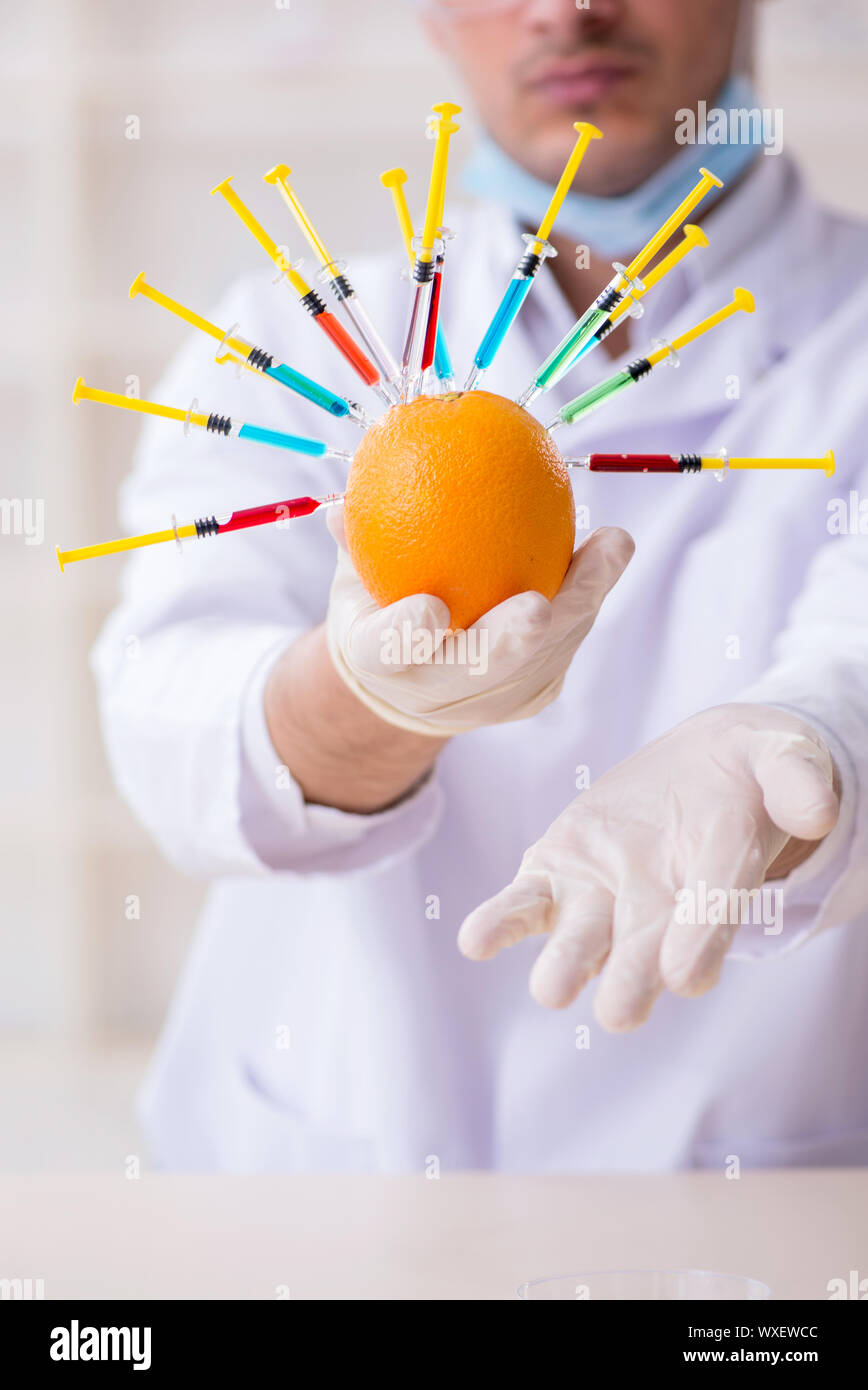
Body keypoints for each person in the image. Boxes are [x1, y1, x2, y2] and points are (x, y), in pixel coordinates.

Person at [93, 0, 868, 1172]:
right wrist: (359, 704)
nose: (568, 9)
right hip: (334, 1186)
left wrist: (800, 746)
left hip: (753, 1197)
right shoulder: (287, 349)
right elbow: (174, 727)